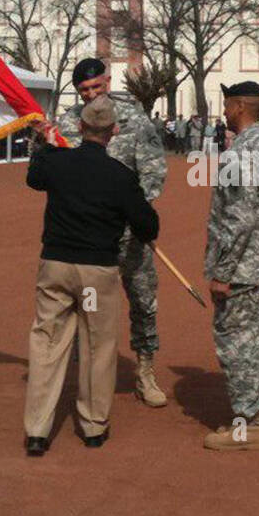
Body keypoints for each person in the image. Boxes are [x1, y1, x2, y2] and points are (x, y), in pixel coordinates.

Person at [22, 95, 160, 455]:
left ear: (81, 127)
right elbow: (148, 225)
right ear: (113, 132)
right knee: (98, 346)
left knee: (47, 343)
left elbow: (34, 178)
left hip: (55, 266)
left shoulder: (58, 162)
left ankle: (37, 430)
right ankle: (94, 425)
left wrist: (45, 146)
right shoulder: (121, 176)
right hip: (96, 272)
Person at [48, 58, 170, 407]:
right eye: (84, 90)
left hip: (130, 235)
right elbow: (55, 173)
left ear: (108, 81)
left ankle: (144, 371)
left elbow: (153, 171)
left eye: (96, 87)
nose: (91, 94)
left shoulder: (134, 119)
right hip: (88, 236)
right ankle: (84, 373)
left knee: (143, 302)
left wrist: (134, 211)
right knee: (83, 303)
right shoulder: (68, 124)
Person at [203, 81, 259, 451]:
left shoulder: (243, 151)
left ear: (239, 106)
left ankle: (251, 424)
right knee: (255, 332)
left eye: (227, 104)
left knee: (236, 337)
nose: (224, 111)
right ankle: (258, 404)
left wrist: (223, 271)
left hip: (244, 264)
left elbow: (239, 217)